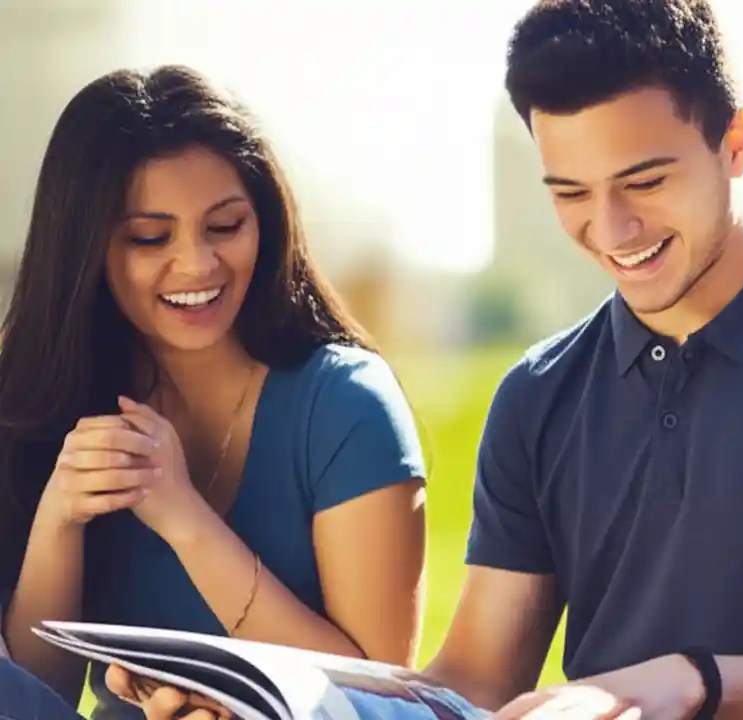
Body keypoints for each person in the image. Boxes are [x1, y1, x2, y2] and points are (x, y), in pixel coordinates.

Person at [114, 1, 743, 718]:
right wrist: (255, 696)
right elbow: (475, 683)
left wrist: (691, 682)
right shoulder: (540, 394)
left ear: (734, 142)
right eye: (571, 193)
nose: (613, 229)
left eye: (645, 182)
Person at [0, 65, 429, 718]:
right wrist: (60, 516)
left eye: (225, 227)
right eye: (150, 237)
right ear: (85, 249)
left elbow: (376, 696)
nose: (198, 263)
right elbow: (34, 697)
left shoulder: (346, 404)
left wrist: (185, 519)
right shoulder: (44, 401)